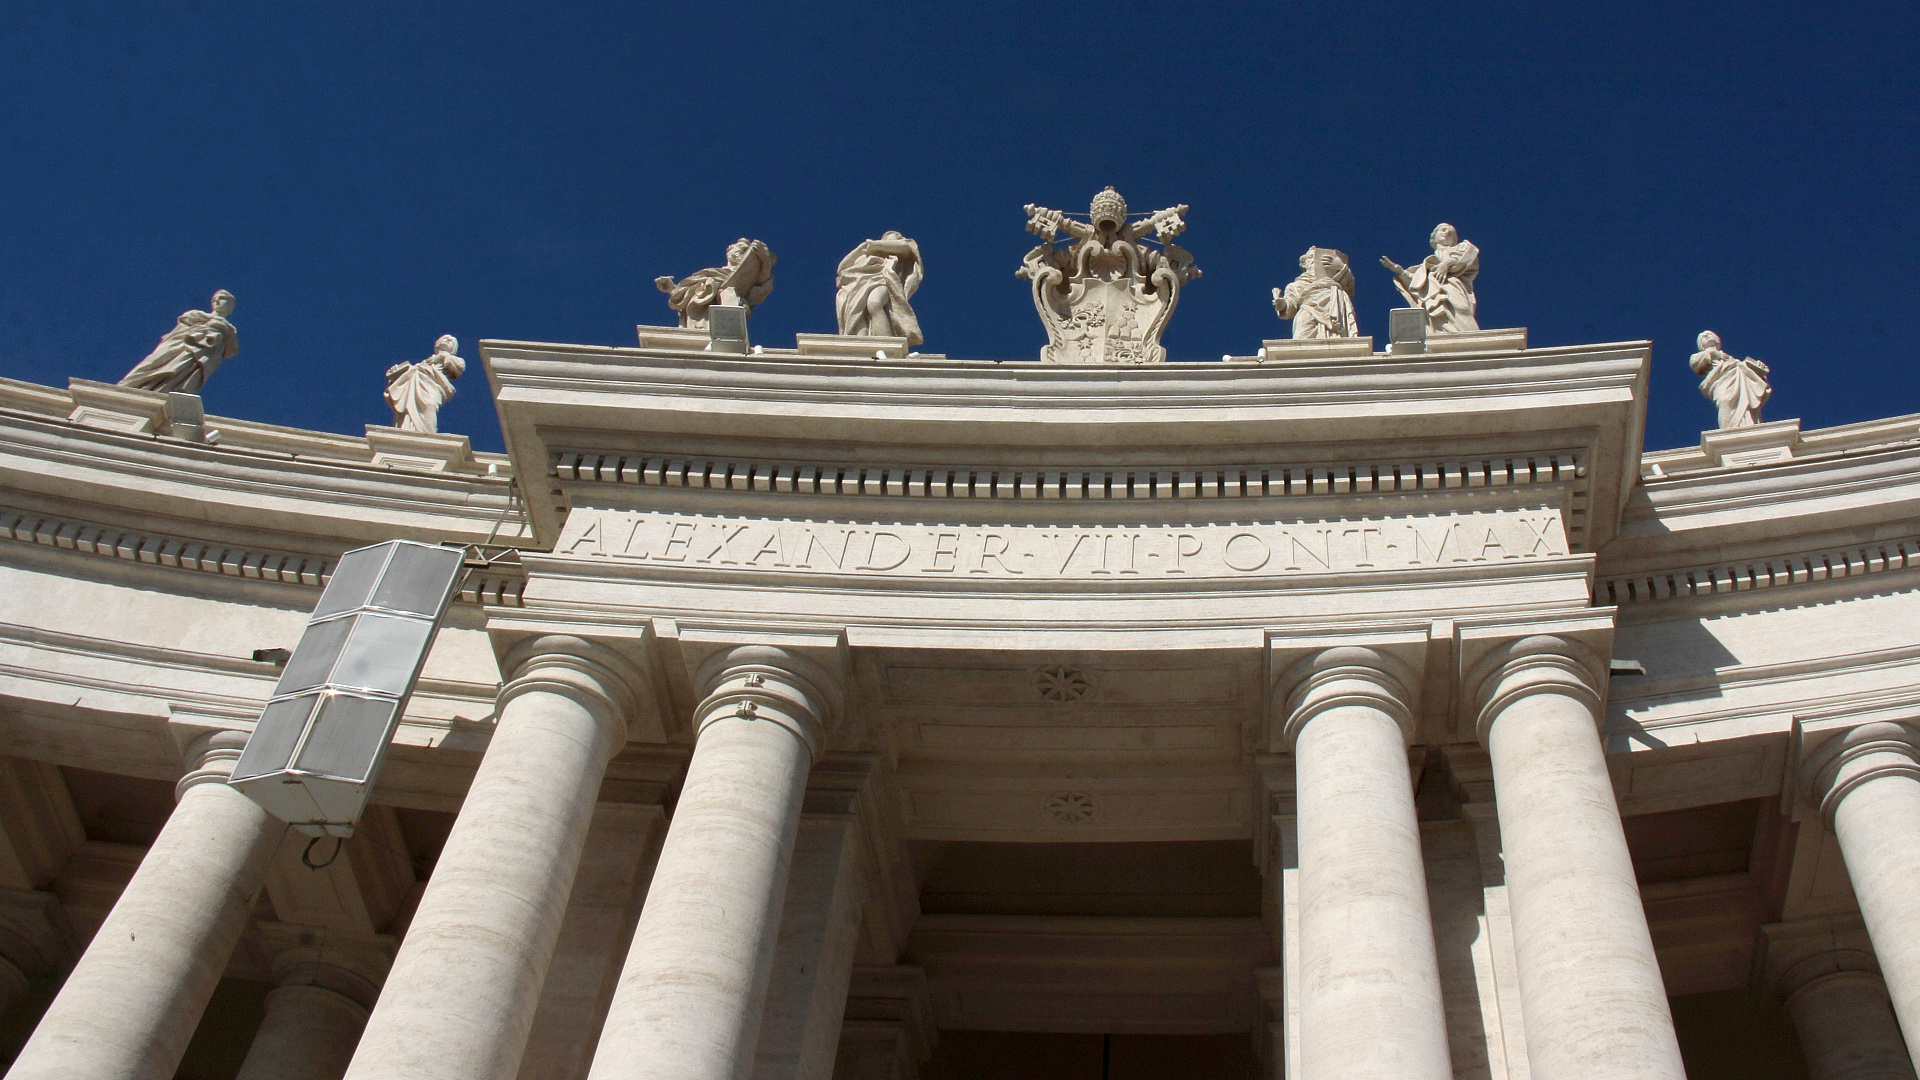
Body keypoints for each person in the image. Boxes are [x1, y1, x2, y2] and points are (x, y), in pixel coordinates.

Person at [118, 290, 239, 393]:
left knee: (182, 371)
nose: (217, 301)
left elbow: (230, 350)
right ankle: (129, 385)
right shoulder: (196, 315)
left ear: (231, 307)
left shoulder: (230, 331)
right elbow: (182, 325)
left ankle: (165, 390)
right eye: (215, 299)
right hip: (180, 343)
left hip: (201, 354)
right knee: (154, 363)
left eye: (222, 298)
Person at [655, 239, 775, 329]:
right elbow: (689, 294)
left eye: (744, 252)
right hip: (700, 318)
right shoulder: (710, 273)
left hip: (728, 320)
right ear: (728, 252)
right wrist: (673, 289)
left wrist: (765, 262)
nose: (739, 253)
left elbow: (762, 287)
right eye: (738, 249)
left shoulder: (746, 279)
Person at [1381, 224, 1479, 333]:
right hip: (1433, 296)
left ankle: (1471, 338)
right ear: (1434, 236)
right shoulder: (1427, 265)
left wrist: (1446, 263)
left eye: (1451, 233)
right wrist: (1400, 272)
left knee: (1461, 310)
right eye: (1443, 230)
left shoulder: (1461, 248)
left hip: (1453, 287)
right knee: (1438, 319)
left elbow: (1468, 257)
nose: (1446, 233)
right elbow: (1417, 283)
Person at [834, 232, 924, 344]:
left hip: (882, 280)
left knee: (874, 302)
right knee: (856, 313)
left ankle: (886, 344)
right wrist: (861, 248)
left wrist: (873, 244)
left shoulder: (897, 250)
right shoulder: (867, 254)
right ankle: (862, 344)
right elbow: (842, 268)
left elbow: (904, 247)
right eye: (895, 235)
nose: (900, 237)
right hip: (857, 283)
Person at [384, 335, 466, 434]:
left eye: (451, 341)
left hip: (434, 384)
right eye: (445, 338)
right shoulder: (425, 362)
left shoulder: (456, 360)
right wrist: (397, 374)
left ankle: (427, 433)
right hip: (417, 381)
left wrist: (442, 357)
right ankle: (409, 429)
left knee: (429, 405)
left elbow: (459, 368)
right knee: (409, 407)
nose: (447, 340)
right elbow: (409, 375)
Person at [1689, 330, 1771, 429]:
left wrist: (1758, 370)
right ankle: (1728, 430)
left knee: (1746, 404)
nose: (1707, 336)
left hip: (1738, 377)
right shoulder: (1699, 356)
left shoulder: (1730, 358)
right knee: (1725, 401)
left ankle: (1746, 426)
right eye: (1703, 337)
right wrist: (1712, 353)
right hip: (1720, 380)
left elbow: (1747, 372)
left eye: (1709, 334)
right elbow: (1695, 364)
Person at [1273, 247, 1359, 339]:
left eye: (1317, 256)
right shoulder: (1296, 285)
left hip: (1333, 306)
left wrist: (1341, 266)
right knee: (1301, 337)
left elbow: (1350, 287)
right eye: (1310, 257)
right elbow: (1291, 305)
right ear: (1304, 264)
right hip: (1308, 310)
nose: (1314, 260)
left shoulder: (1335, 280)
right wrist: (1282, 304)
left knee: (1336, 337)